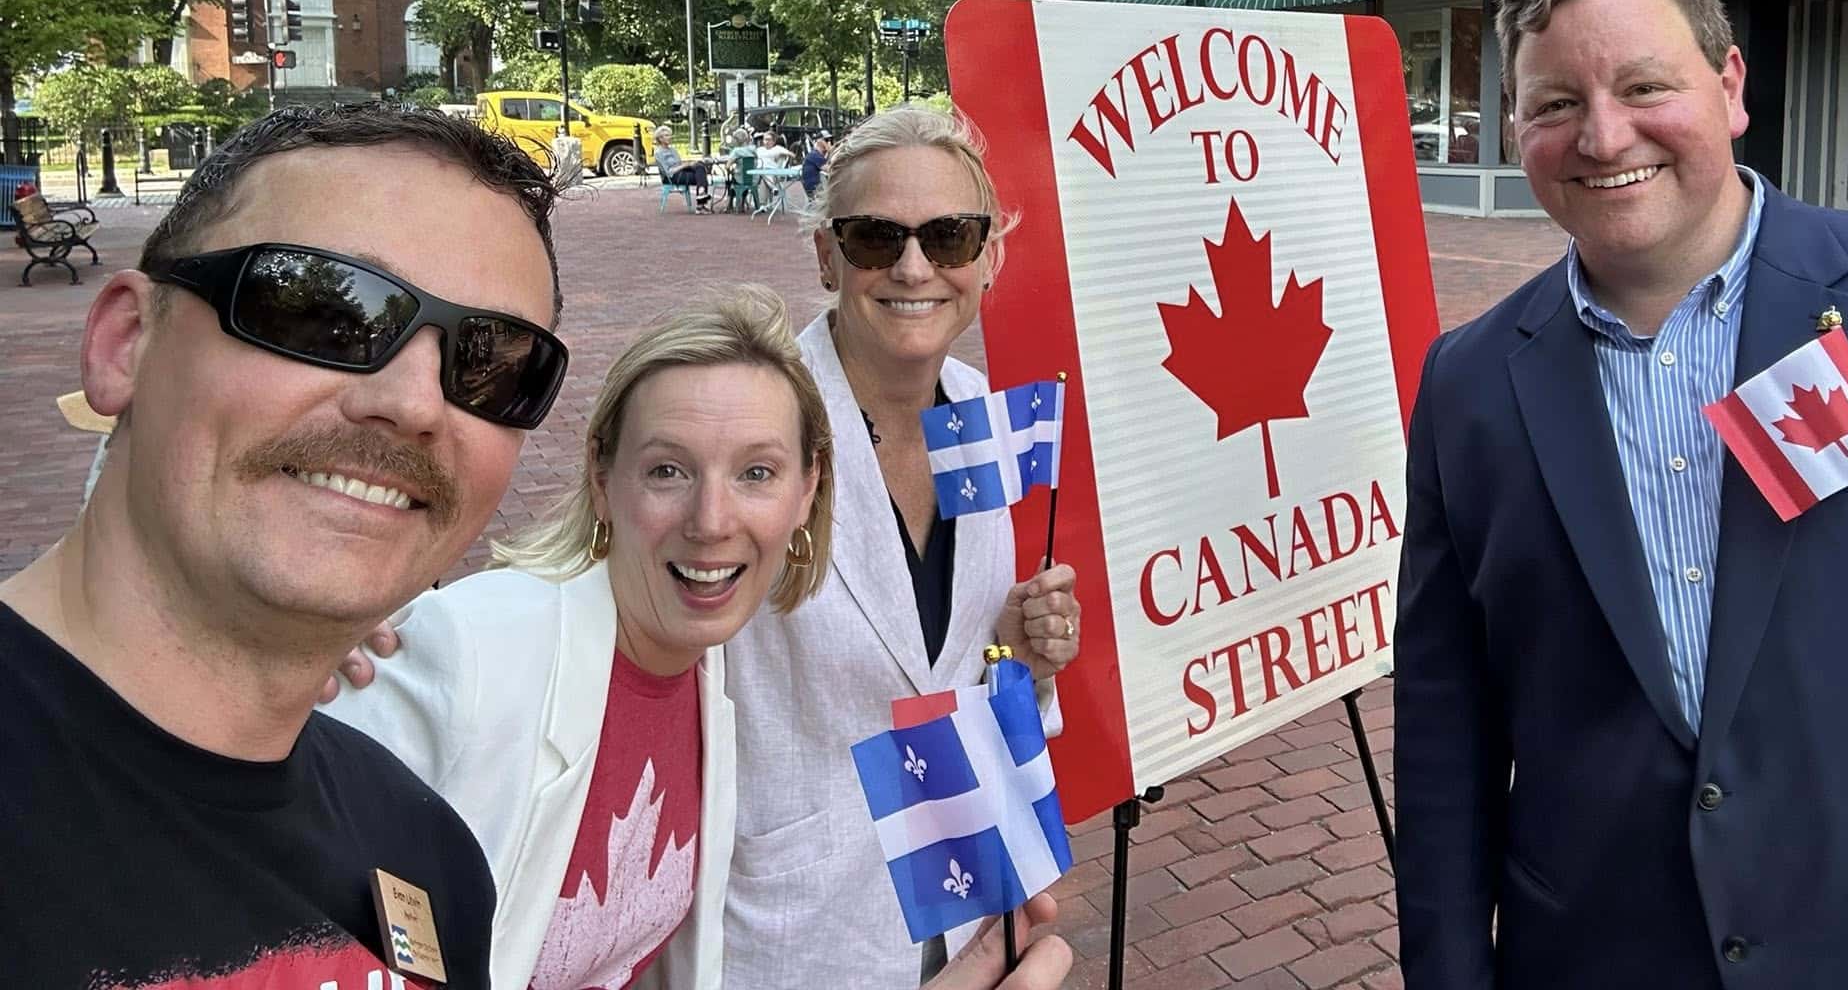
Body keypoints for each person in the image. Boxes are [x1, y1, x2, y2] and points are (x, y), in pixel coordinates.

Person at [1393, 0, 1848, 990]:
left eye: (1644, 85)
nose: (1603, 137)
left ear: (1729, 85)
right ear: (1515, 126)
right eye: (1554, 103)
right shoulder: (1467, 384)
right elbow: (1442, 729)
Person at [0, 104, 569, 988]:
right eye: (324, 313)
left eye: (493, 362)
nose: (414, 404)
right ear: (125, 344)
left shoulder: (427, 852)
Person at [325, 289, 833, 990]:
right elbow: (271, 890)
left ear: (807, 489)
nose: (711, 520)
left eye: (756, 473)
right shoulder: (472, 650)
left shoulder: (712, 671)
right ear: (602, 478)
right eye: (667, 470)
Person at [720, 103, 1085, 989]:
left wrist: (1028, 661)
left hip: (963, 894)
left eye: (950, 236)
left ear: (989, 257)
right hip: (801, 924)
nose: (915, 267)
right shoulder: (749, 423)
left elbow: (953, 661)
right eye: (876, 238)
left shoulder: (980, 410)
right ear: (826, 255)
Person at [801, 130, 833, 197]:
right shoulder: (815, 155)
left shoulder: (817, 155)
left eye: (830, 140)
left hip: (816, 187)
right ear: (819, 141)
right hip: (814, 189)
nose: (829, 142)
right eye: (826, 140)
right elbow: (829, 169)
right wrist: (831, 151)